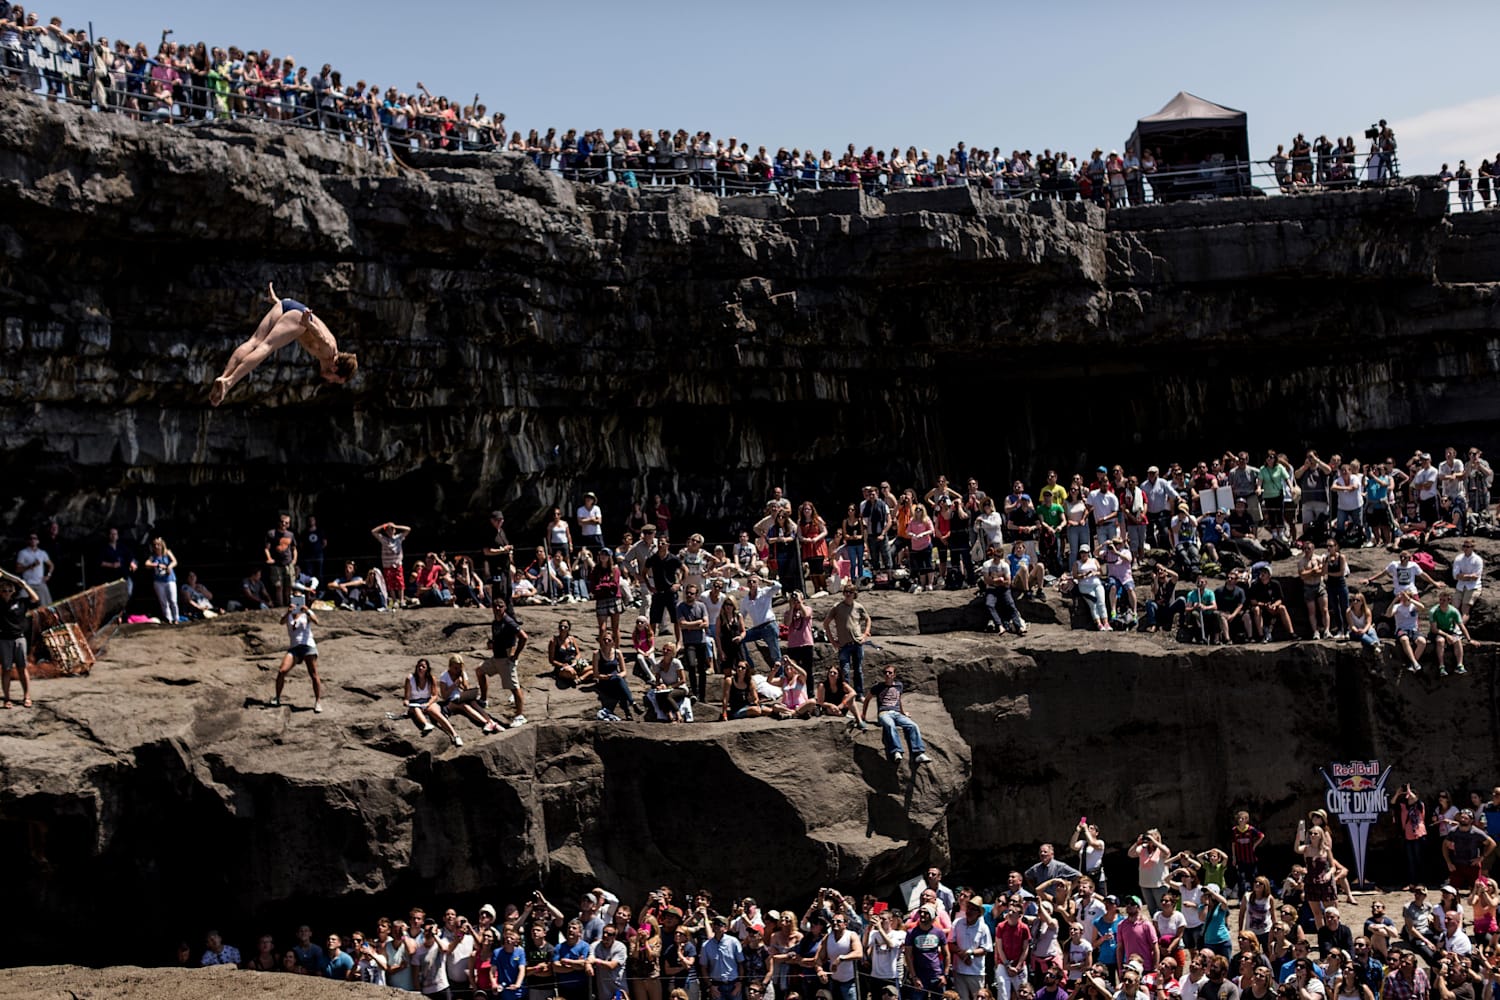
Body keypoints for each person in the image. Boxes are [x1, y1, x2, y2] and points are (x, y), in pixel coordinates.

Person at [210, 282, 357, 405]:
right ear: (335, 368)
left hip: (287, 304)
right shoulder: (330, 351)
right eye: (336, 380)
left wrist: (277, 302)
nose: (330, 381)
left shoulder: (328, 354)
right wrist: (308, 323)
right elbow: (320, 336)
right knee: (266, 347)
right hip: (299, 318)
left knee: (254, 341)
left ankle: (223, 378)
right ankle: (229, 382)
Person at [859, 664, 932, 768]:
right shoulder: (878, 687)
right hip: (884, 713)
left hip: (897, 713)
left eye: (890, 672)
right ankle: (897, 751)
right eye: (885, 673)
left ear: (894, 675)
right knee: (890, 725)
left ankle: (919, 753)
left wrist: (903, 712)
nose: (887, 674)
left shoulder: (899, 686)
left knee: (913, 725)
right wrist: (863, 714)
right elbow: (867, 699)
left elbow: (898, 699)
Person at [822, 582, 872, 697]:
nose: (847, 595)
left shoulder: (858, 607)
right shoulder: (837, 607)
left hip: (857, 642)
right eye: (845, 592)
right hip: (844, 644)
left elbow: (868, 619)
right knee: (845, 671)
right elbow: (826, 624)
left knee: (858, 670)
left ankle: (859, 694)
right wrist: (833, 641)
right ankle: (847, 694)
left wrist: (866, 633)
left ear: (854, 594)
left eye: (850, 592)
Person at [272, 602, 324, 712]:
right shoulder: (289, 614)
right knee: (282, 671)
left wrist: (307, 611)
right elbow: (281, 622)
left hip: (307, 646)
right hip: (294, 647)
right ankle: (277, 698)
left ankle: (318, 701)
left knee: (313, 674)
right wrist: (288, 612)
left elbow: (316, 621)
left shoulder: (306, 614)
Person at [404, 657, 461, 745]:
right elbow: (407, 697)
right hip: (415, 702)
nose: (420, 668)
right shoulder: (410, 678)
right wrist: (406, 702)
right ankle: (426, 724)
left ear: (427, 669)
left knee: (437, 714)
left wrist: (428, 704)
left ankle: (455, 735)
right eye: (419, 666)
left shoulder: (431, 679)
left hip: (427, 701)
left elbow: (435, 695)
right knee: (416, 708)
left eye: (423, 666)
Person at [1429, 591, 1474, 676]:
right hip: (1438, 631)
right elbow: (1434, 629)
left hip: (1449, 631)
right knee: (1440, 641)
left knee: (1457, 640)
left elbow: (1461, 626)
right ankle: (1441, 666)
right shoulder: (1433, 611)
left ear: (1449, 601)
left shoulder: (1453, 611)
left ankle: (1460, 665)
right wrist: (1447, 636)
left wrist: (1469, 639)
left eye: (1444, 600)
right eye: (1440, 600)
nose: (1441, 602)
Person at [14, 529, 52, 606]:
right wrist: (31, 566)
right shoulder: (23, 553)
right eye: (31, 538)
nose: (33, 540)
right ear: (28, 541)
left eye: (35, 538)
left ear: (38, 541)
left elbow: (51, 565)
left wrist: (48, 575)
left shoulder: (42, 553)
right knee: (20, 602)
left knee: (48, 605)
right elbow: (17, 569)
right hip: (27, 583)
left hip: (40, 583)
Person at [146, 536, 180, 625]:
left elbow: (175, 561)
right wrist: (157, 565)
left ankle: (176, 618)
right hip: (158, 581)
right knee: (163, 601)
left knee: (173, 600)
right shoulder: (153, 556)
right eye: (155, 545)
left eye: (158, 545)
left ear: (162, 545)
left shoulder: (167, 553)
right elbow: (147, 564)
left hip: (169, 579)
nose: (157, 547)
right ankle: (168, 618)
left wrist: (169, 567)